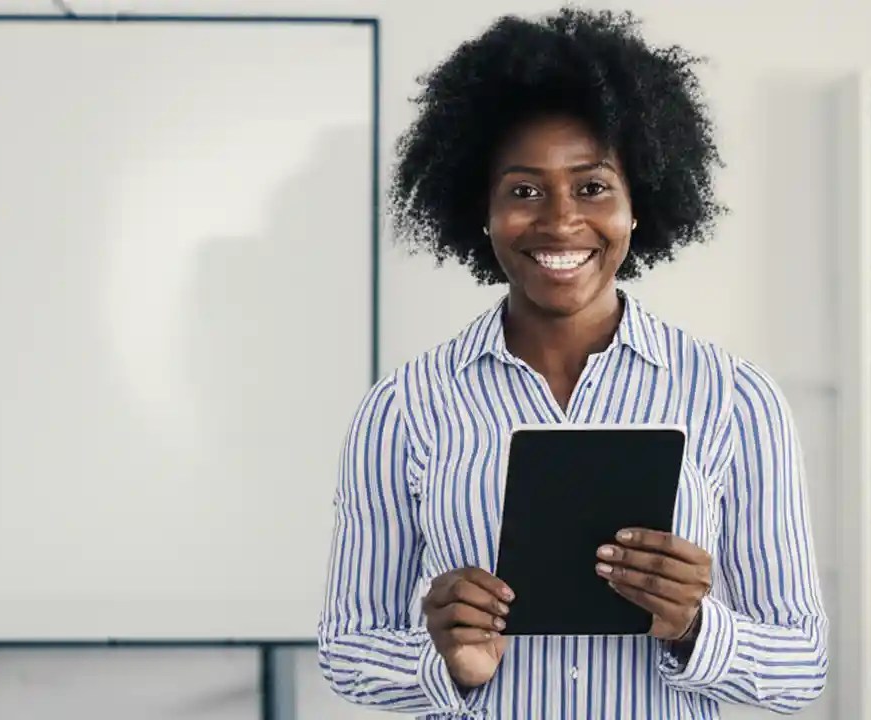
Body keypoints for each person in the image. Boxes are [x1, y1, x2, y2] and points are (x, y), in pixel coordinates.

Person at [317, 8, 827, 718]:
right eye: (523, 190)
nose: (560, 221)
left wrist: (694, 629)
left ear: (637, 202)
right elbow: (347, 649)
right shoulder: (403, 407)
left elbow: (802, 664)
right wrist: (444, 663)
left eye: (592, 187)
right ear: (482, 210)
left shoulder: (736, 398)